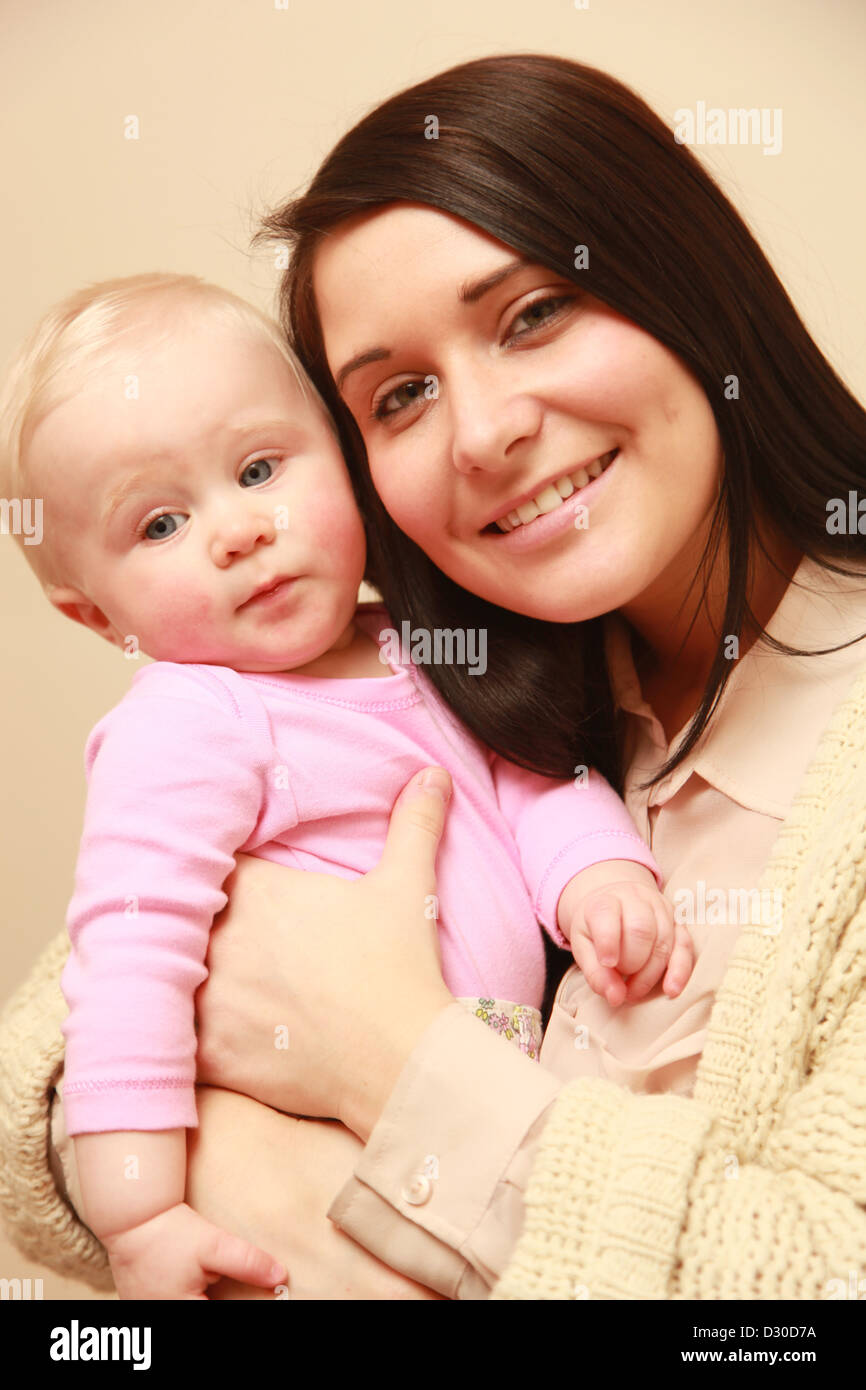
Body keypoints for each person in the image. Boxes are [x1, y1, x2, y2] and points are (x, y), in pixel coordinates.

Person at [1, 52, 865, 1299]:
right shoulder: (476, 658)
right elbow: (65, 1031)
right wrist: (165, 1180)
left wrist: (383, 1054)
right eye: (399, 394)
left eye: (531, 314)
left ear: (684, 275)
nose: (482, 432)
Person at [0, 271, 687, 1299]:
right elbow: (131, 957)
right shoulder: (189, 722)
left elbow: (525, 775)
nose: (237, 530)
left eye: (261, 466)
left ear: (341, 457)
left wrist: (594, 874)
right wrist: (139, 1209)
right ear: (98, 618)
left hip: (472, 1089)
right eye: (158, 526)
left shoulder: (421, 645)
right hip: (304, 1128)